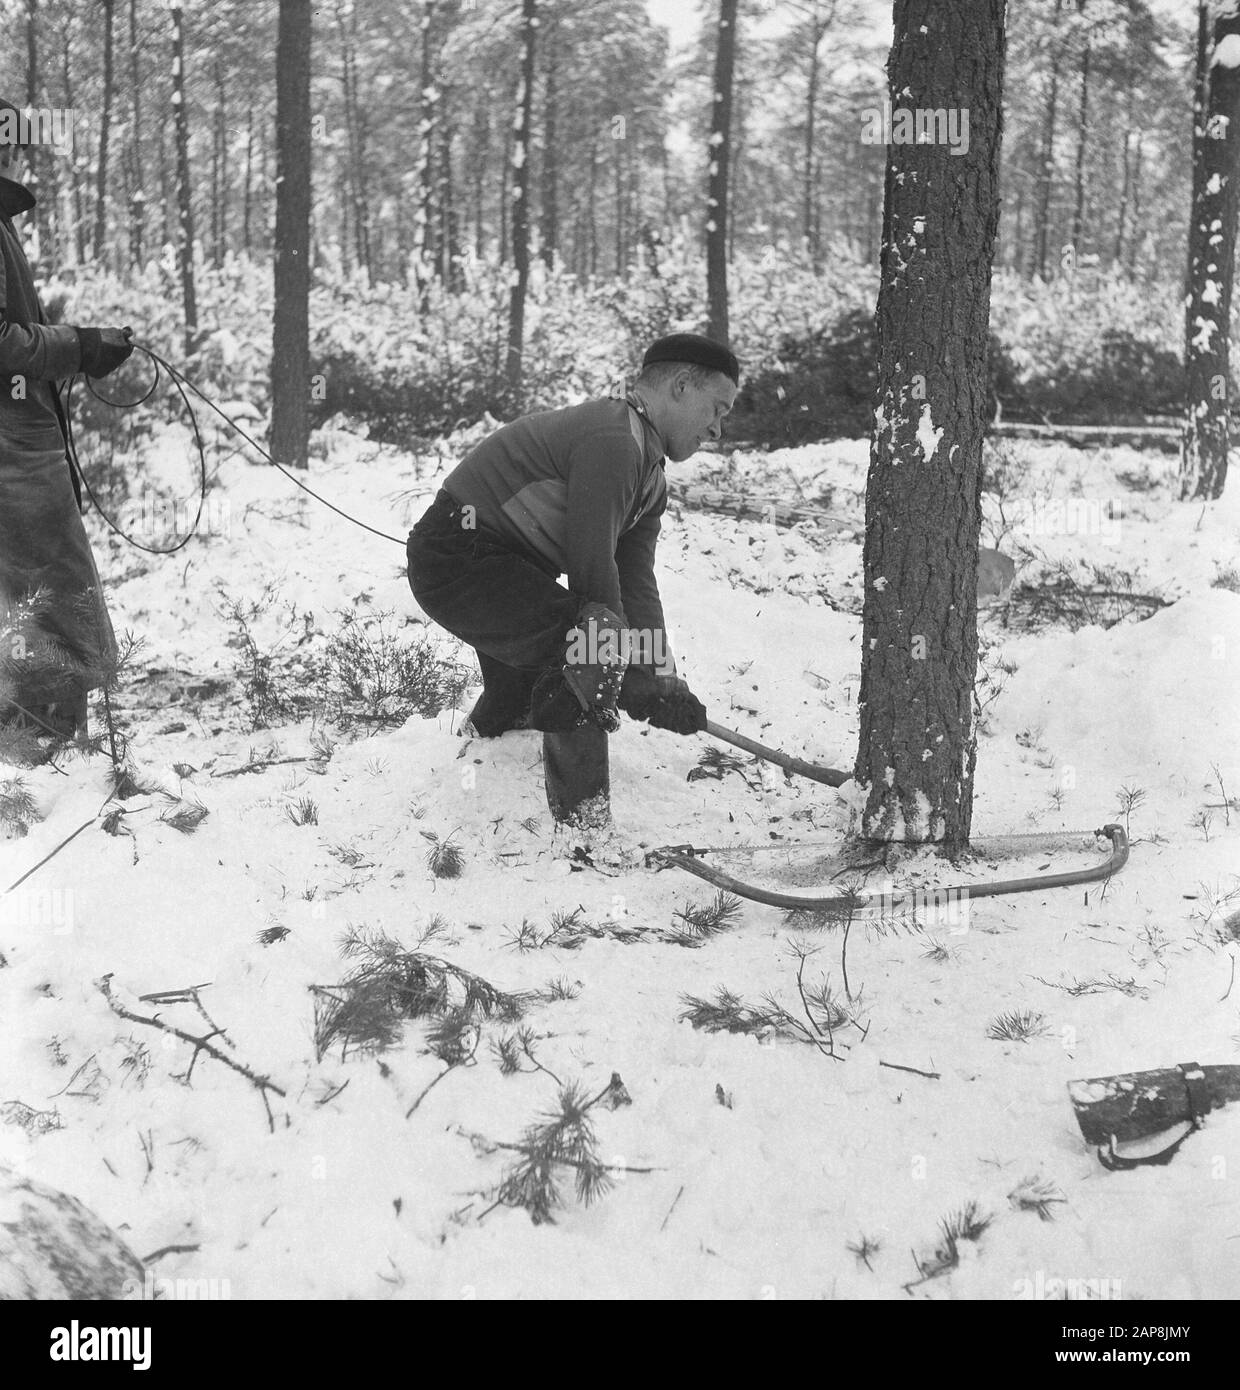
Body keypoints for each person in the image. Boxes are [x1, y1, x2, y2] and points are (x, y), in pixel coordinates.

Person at [407, 332, 740, 829]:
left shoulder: (649, 476)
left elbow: (635, 582)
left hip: (510, 570)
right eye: (717, 409)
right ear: (682, 385)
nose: (717, 430)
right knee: (587, 653)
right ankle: (583, 832)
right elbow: (591, 571)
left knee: (530, 688)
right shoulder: (613, 440)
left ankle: (486, 777)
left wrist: (658, 677)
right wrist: (626, 673)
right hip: (459, 557)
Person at [0, 99, 133, 745]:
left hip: (17, 428)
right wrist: (79, 346)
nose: (13, 153)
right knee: (48, 577)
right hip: (10, 442)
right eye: (7, 142)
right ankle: (41, 735)